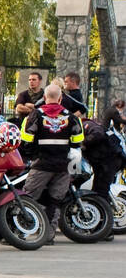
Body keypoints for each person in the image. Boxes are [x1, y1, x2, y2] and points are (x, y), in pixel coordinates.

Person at [19, 84, 84, 234]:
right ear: (60, 99)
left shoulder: (35, 115)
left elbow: (26, 141)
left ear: (44, 98)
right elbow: (77, 142)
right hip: (63, 166)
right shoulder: (73, 118)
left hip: (41, 164)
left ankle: (21, 231)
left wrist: (34, 154)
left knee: (28, 197)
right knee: (55, 201)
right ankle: (48, 235)